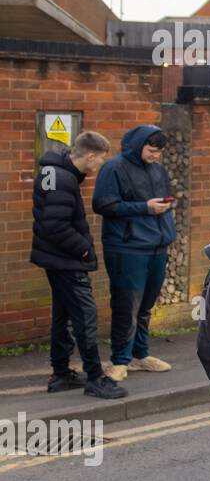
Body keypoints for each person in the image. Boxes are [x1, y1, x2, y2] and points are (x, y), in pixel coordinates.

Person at [31, 131, 123, 400]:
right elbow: (54, 226)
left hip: (55, 258)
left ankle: (60, 373)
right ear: (90, 155)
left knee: (62, 315)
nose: (98, 166)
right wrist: (83, 250)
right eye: (99, 160)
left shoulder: (55, 172)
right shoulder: (62, 179)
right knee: (85, 317)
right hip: (66, 260)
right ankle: (95, 378)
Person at [91, 125, 176, 383]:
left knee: (146, 306)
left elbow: (161, 199)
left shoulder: (157, 169)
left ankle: (140, 354)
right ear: (138, 145)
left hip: (157, 246)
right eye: (151, 151)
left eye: (159, 152)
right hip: (126, 248)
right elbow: (102, 204)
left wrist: (164, 208)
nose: (156, 156)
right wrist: (145, 208)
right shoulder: (113, 168)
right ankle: (119, 360)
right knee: (126, 305)